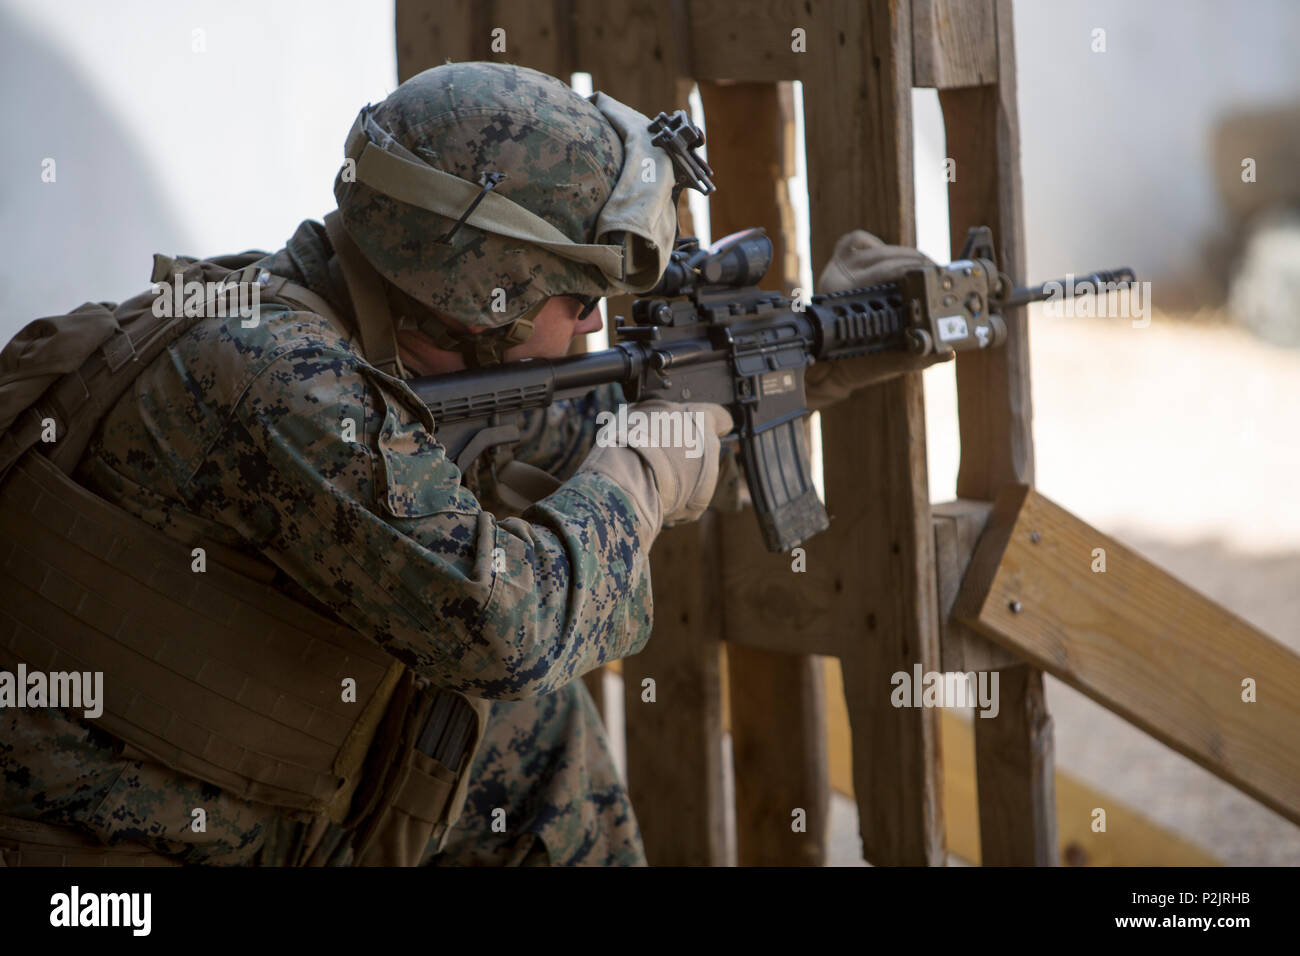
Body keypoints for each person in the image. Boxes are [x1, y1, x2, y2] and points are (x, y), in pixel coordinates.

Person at [0, 61, 942, 867]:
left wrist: (803, 366)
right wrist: (646, 475)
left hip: (207, 788)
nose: (593, 324)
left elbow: (583, 430)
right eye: (577, 294)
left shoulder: (373, 329)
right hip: (98, 854)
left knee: (532, 734)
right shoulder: (271, 375)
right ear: (483, 287)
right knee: (515, 695)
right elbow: (506, 627)